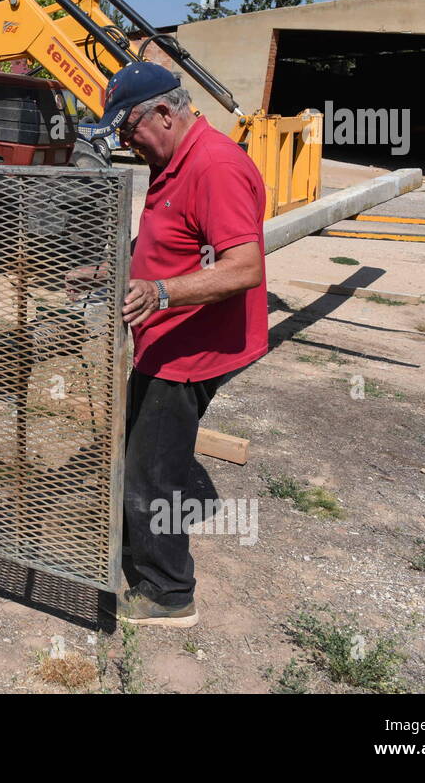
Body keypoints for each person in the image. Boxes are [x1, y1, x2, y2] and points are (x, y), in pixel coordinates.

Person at [80, 62, 268, 628]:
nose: (124, 142)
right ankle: (139, 547)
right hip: (168, 341)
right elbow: (171, 237)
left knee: (151, 469)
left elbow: (245, 267)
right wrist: (108, 270)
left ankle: (168, 591)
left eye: (127, 128)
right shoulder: (175, 160)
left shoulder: (213, 166)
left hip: (193, 350)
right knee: (140, 446)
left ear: (164, 112)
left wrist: (160, 292)